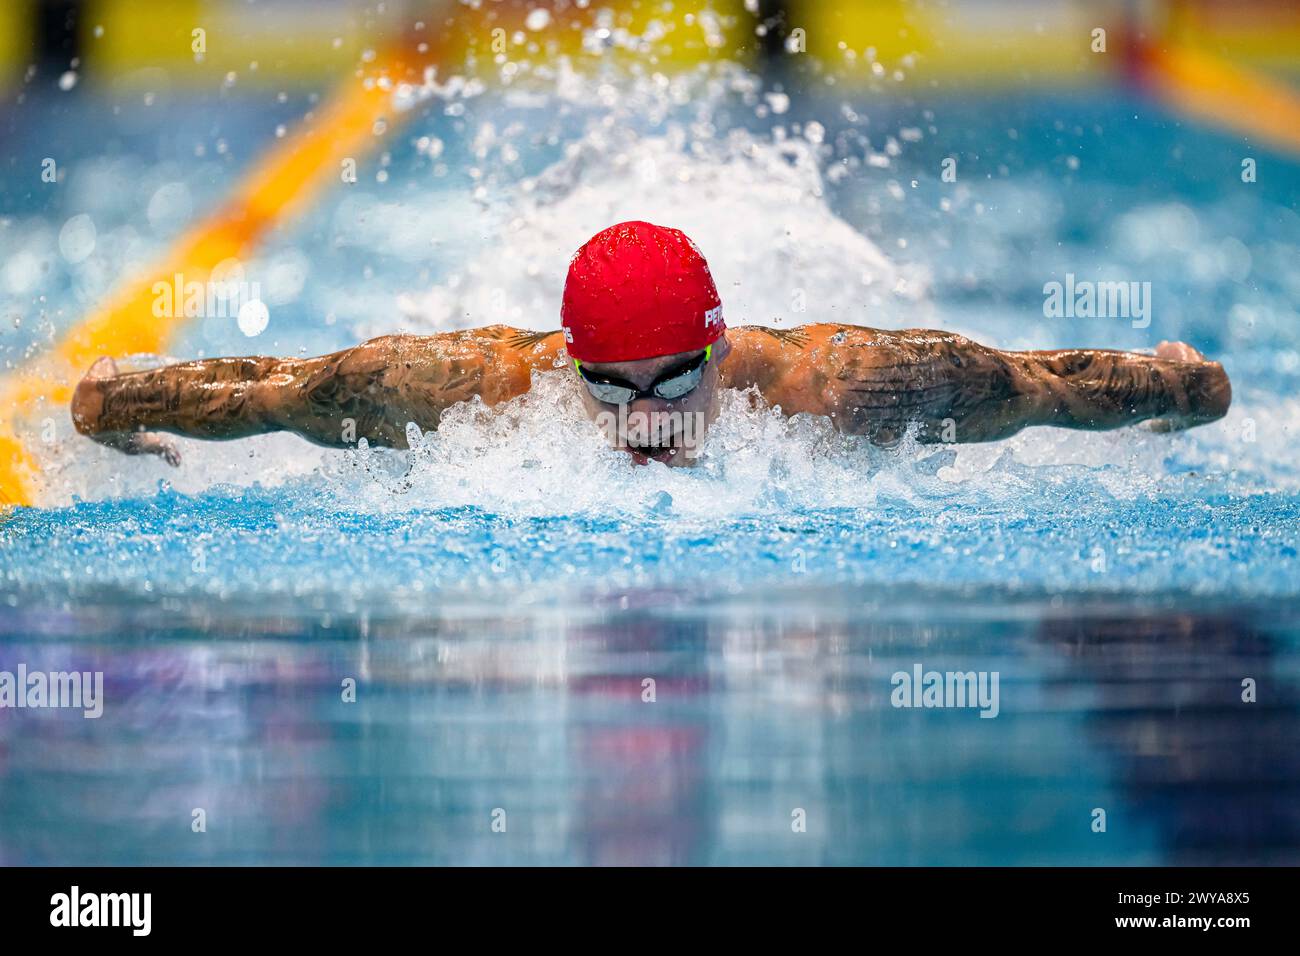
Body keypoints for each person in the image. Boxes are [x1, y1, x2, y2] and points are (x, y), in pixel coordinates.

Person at [71, 220, 1231, 468]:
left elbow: (1038, 382)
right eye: (606, 388)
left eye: (675, 378)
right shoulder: (458, 393)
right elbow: (283, 388)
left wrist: (1179, 386)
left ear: (722, 353)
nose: (644, 421)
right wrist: (124, 406)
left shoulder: (853, 388)